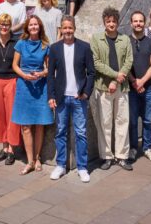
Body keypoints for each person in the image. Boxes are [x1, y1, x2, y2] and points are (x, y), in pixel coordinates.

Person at [48, 15, 95, 182]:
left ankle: (82, 167)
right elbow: (50, 75)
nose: (67, 31)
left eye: (70, 28)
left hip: (78, 97)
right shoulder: (54, 48)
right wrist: (51, 96)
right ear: (61, 29)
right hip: (61, 97)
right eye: (65, 28)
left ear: (74, 28)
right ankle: (60, 165)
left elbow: (91, 73)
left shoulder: (84, 47)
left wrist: (86, 93)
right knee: (60, 131)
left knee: (81, 133)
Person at [90, 6, 133, 170]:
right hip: (104, 87)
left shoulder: (125, 39)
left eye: (114, 21)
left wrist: (120, 76)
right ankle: (107, 156)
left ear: (117, 22)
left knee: (122, 121)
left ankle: (122, 156)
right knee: (105, 123)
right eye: (108, 21)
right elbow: (96, 63)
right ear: (104, 22)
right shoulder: (96, 39)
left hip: (122, 87)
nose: (111, 24)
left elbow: (129, 60)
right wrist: (115, 75)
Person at [11, 15, 52, 174]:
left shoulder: (45, 45)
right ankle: (29, 161)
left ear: (40, 27)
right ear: (27, 27)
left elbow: (50, 68)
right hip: (24, 85)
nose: (34, 27)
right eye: (31, 25)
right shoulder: (21, 44)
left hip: (40, 86)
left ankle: (37, 158)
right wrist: (23, 75)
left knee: (39, 124)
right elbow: (15, 65)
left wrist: (42, 74)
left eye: (36, 25)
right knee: (26, 125)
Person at [0, 13, 21, 165]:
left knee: (11, 115)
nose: (4, 27)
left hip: (11, 81)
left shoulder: (16, 42)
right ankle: (4, 146)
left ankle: (12, 150)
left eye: (7, 24)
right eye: (2, 24)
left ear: (10, 26)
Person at [128, 11, 151, 162]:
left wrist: (142, 81)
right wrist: (134, 82)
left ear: (144, 23)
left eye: (141, 21)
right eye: (135, 21)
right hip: (131, 89)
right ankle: (133, 148)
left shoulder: (150, 42)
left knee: (147, 120)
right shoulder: (125, 41)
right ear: (131, 23)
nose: (138, 24)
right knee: (133, 121)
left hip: (149, 88)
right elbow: (124, 65)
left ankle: (147, 148)